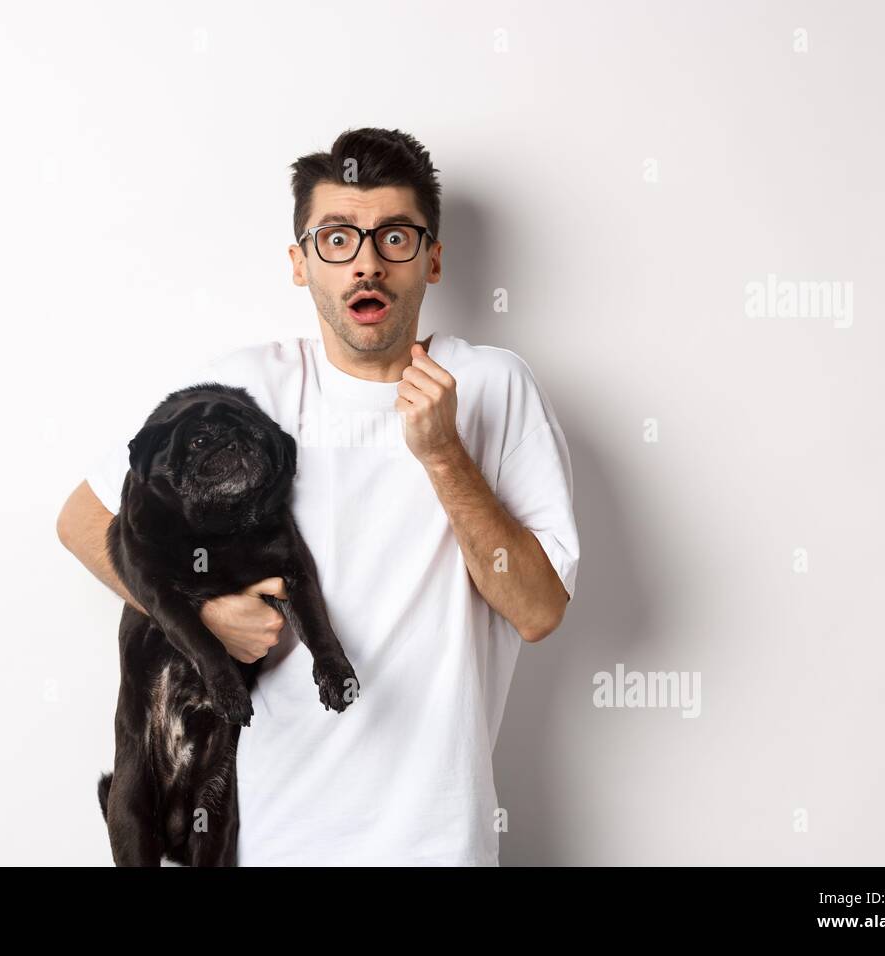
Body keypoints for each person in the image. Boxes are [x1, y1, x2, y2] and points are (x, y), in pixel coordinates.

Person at [57, 127, 580, 865]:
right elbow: (83, 519)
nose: (367, 263)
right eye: (337, 239)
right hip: (270, 841)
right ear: (301, 264)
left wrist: (442, 454)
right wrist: (202, 620)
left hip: (438, 843)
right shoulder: (247, 388)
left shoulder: (494, 386)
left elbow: (538, 610)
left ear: (433, 256)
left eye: (394, 236)